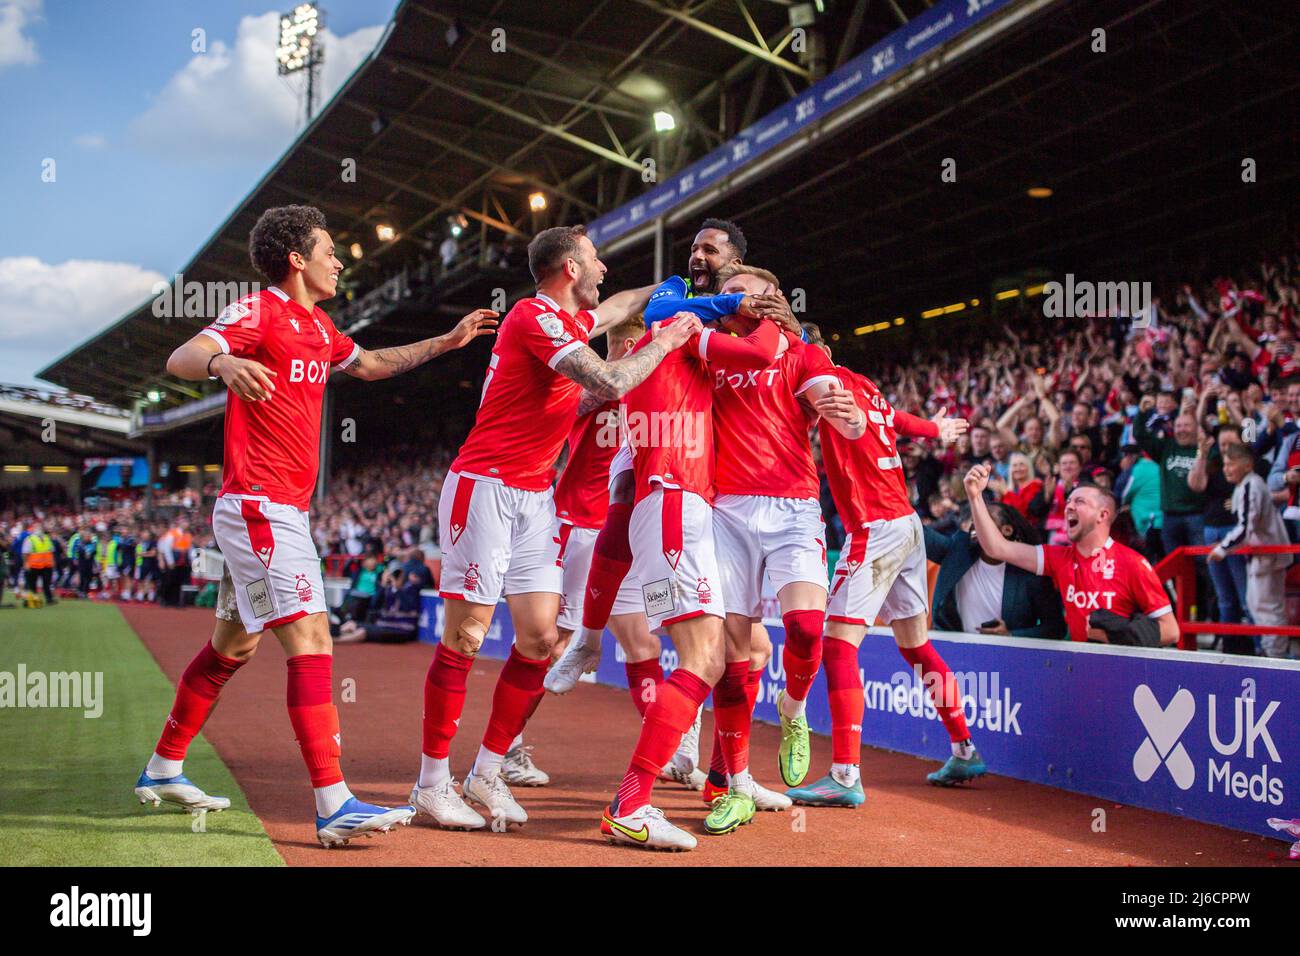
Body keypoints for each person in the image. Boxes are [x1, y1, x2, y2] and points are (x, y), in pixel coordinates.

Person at [133, 203, 498, 847]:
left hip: (277, 511)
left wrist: (447, 341)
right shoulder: (261, 310)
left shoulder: (319, 325)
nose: (339, 259)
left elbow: (373, 364)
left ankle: (164, 768)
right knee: (313, 644)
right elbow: (183, 356)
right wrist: (222, 365)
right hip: (260, 508)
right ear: (298, 258)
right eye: (330, 248)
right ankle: (333, 804)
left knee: (232, 648)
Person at [413, 223, 699, 834]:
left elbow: (623, 308)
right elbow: (613, 380)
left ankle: (488, 769)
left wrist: (677, 285)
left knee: (542, 641)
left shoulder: (568, 323)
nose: (605, 272)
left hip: (535, 497)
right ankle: (432, 783)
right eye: (596, 261)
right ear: (569, 268)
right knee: (465, 637)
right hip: (485, 487)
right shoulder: (530, 315)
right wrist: (668, 339)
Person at [600, 295, 788, 849]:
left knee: (727, 653)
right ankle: (631, 803)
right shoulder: (675, 340)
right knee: (702, 659)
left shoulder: (666, 356)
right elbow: (758, 353)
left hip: (672, 512)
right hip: (674, 506)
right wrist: (763, 313)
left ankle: (714, 778)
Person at [690, 282, 862, 832]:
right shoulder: (710, 346)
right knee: (731, 653)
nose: (741, 297)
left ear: (775, 299)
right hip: (728, 509)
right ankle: (736, 783)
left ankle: (792, 708)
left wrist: (847, 415)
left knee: (808, 628)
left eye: (753, 289)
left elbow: (847, 420)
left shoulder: (801, 351)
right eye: (731, 291)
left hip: (792, 508)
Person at [785, 330, 978, 811]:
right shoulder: (865, 384)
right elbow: (899, 419)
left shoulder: (826, 383)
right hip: (907, 522)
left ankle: (845, 774)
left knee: (836, 643)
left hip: (874, 526)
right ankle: (964, 749)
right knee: (915, 645)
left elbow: (857, 422)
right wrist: (938, 431)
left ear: (821, 354)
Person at [965, 465, 1180, 645]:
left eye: (1079, 502)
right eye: (1068, 501)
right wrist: (975, 497)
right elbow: (997, 548)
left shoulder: (1133, 563)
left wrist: (1118, 635)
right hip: (1077, 672)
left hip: (1121, 674)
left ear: (1102, 515)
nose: (1069, 507)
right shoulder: (1059, 558)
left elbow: (1171, 630)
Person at [924, 501, 1066, 639]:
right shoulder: (958, 549)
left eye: (986, 517)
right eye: (976, 517)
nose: (977, 522)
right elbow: (918, 533)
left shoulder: (1031, 573)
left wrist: (1010, 636)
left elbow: (1056, 628)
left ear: (1007, 530)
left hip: (1007, 657)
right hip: (955, 652)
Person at [1210, 444, 1295, 658]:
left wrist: (1222, 548)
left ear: (1247, 464)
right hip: (1262, 554)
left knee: (1267, 607)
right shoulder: (1245, 486)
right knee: (1257, 605)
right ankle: (1272, 652)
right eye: (1225, 465)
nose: (1226, 469)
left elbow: (1246, 526)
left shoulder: (1251, 485)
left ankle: (1276, 657)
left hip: (1268, 554)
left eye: (1231, 464)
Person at [1189, 424, 1252, 653]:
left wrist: (1236, 500)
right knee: (1224, 596)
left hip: (1235, 533)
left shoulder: (1249, 469)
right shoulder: (1214, 464)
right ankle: (1230, 647)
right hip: (1211, 530)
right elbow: (1195, 485)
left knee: (1245, 595)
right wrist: (1202, 453)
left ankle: (1257, 647)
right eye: (1222, 444)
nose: (1225, 449)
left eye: (1230, 444)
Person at [21, 522, 56, 605]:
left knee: (47, 583)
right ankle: (33, 599)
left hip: (47, 565)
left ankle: (49, 599)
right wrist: (26, 563)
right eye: (37, 527)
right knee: (32, 584)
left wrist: (53, 561)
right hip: (34, 565)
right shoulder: (30, 539)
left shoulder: (47, 538)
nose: (39, 529)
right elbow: (25, 553)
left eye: (40, 527)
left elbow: (51, 551)